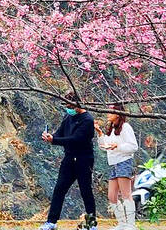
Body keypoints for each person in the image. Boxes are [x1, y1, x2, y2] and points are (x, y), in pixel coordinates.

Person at [38, 92, 97, 230]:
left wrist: (55, 140)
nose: (68, 108)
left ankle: (91, 223)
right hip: (69, 158)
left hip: (84, 159)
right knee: (59, 189)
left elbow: (76, 139)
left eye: (70, 105)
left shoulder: (87, 120)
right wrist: (50, 137)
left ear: (77, 104)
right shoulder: (68, 116)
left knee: (86, 191)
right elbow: (60, 134)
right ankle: (51, 222)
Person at [94, 104, 138, 230]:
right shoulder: (113, 128)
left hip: (124, 162)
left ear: (117, 114)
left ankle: (131, 225)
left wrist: (117, 146)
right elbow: (105, 145)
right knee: (112, 196)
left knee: (126, 194)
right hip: (113, 163)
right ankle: (122, 223)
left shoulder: (125, 127)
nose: (107, 113)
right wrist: (100, 133)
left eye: (110, 111)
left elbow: (133, 146)